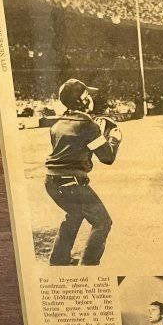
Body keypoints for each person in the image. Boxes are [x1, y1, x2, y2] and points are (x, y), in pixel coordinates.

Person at [44, 78, 122, 265]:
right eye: (88, 95)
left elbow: (73, 146)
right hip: (72, 184)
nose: (91, 99)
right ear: (83, 100)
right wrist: (114, 138)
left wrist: (94, 129)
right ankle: (88, 265)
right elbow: (107, 158)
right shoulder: (89, 126)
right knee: (102, 223)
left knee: (75, 214)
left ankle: (58, 260)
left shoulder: (58, 124)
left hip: (51, 182)